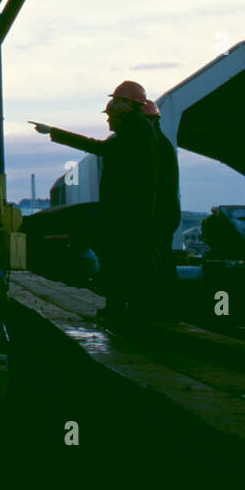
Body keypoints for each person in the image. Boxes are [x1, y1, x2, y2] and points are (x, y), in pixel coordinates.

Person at [32, 80, 159, 327]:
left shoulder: (135, 131)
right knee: (130, 260)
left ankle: (129, 311)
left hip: (127, 212)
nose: (110, 110)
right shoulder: (136, 130)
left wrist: (53, 132)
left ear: (129, 105)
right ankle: (133, 310)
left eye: (116, 103)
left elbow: (97, 147)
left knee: (123, 259)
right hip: (131, 210)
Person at [143, 99, 180, 320]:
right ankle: (167, 309)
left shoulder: (155, 144)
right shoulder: (162, 143)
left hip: (159, 213)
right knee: (163, 259)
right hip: (166, 212)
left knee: (158, 262)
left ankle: (163, 309)